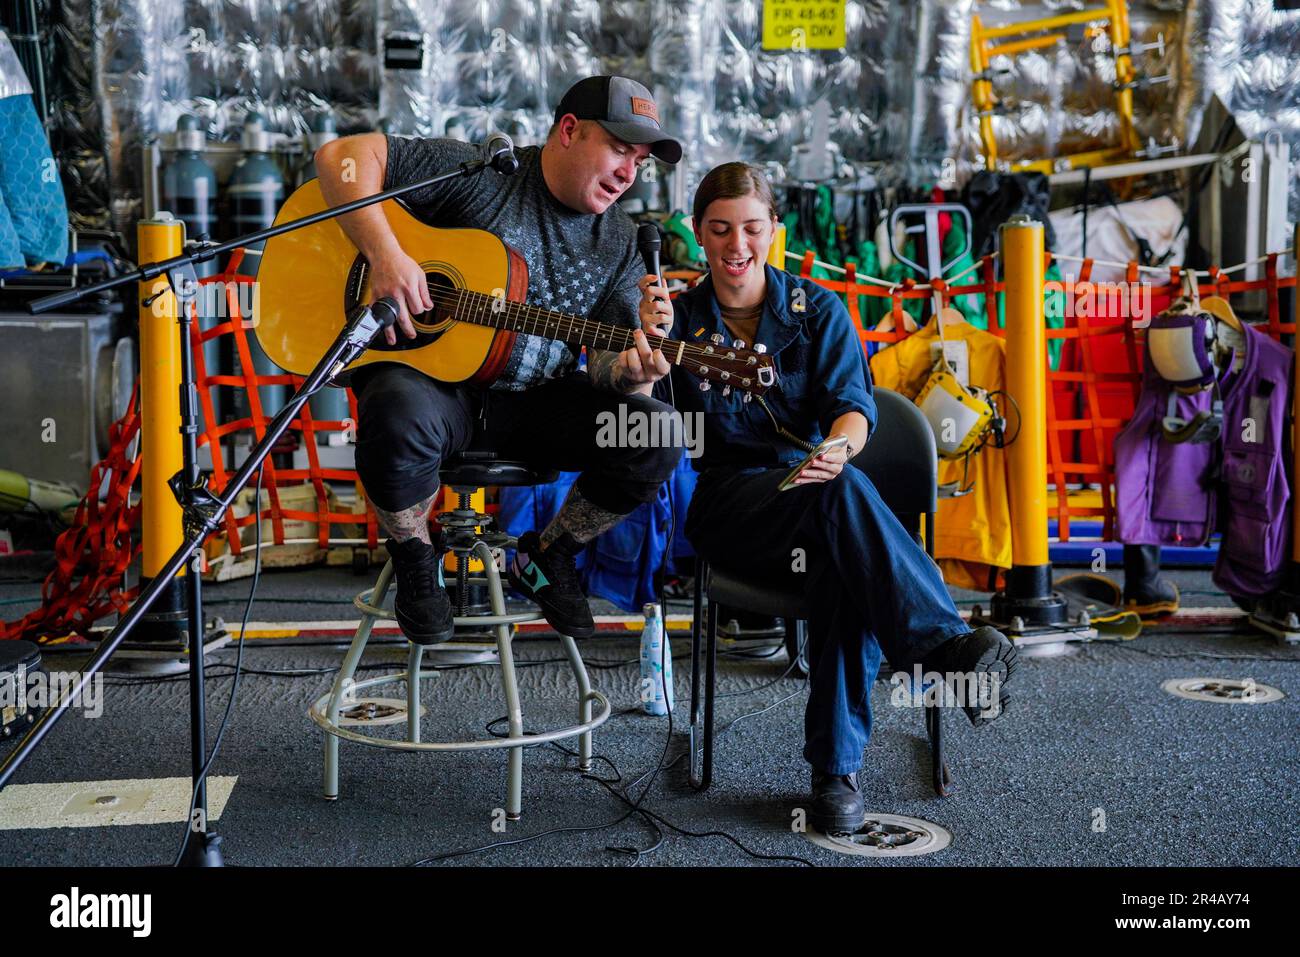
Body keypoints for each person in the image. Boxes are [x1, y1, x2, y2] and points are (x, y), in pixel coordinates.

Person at [638, 162, 1020, 834]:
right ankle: (942, 650)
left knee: (843, 550)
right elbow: (648, 427)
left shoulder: (817, 310)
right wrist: (650, 358)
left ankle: (835, 779)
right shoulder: (678, 317)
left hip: (817, 488)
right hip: (732, 508)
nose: (736, 244)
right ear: (698, 234)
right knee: (842, 504)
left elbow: (854, 407)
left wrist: (837, 446)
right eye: (720, 229)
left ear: (774, 230)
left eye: (751, 227)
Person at [314, 76, 685, 644]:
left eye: (639, 161)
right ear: (568, 130)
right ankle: (415, 556)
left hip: (537, 404)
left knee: (652, 430)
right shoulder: (485, 172)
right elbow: (340, 156)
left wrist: (633, 377)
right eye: (617, 149)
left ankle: (548, 555)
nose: (628, 173)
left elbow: (610, 360)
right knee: (392, 412)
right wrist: (385, 255)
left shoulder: (619, 242)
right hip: (438, 386)